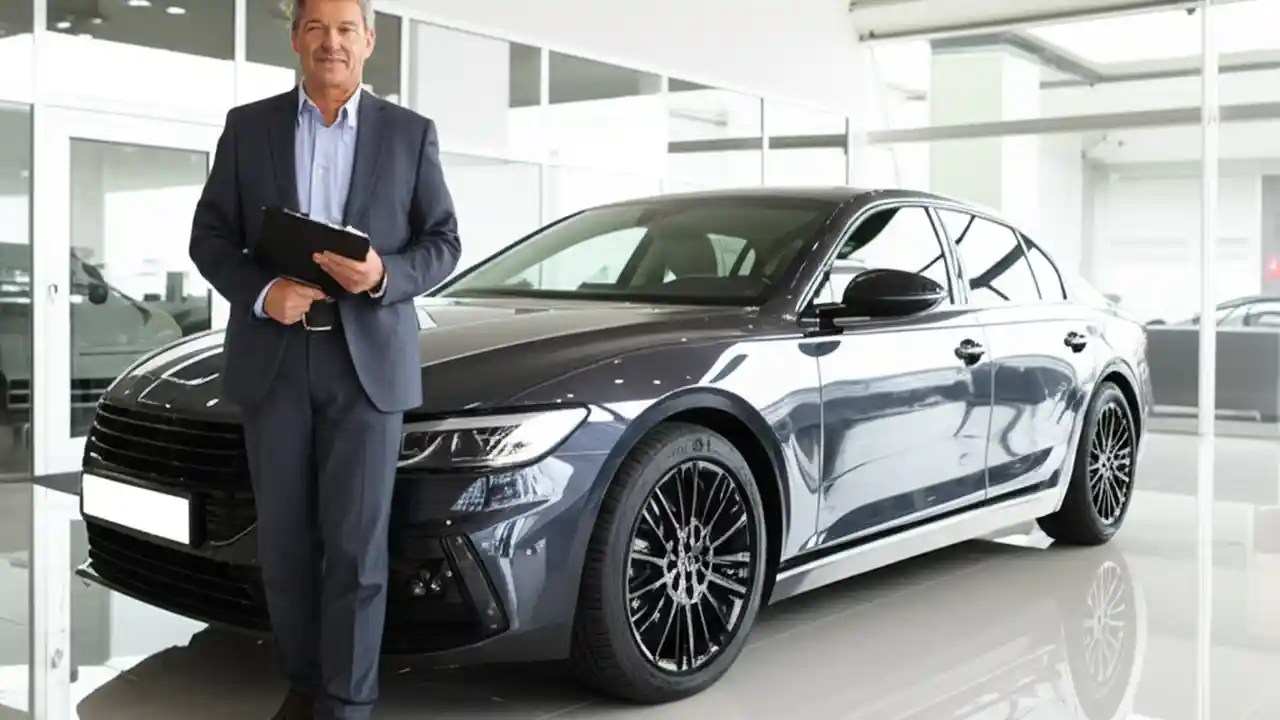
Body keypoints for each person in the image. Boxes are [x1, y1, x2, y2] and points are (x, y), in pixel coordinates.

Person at [187, 0, 460, 717]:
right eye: (316, 28)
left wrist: (383, 274)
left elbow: (443, 242)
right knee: (283, 546)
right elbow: (210, 238)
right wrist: (262, 291)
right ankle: (306, 685)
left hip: (366, 366)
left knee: (356, 548)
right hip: (274, 360)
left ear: (369, 41)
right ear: (295, 39)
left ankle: (347, 703)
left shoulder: (410, 134)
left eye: (344, 30)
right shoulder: (248, 128)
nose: (330, 42)